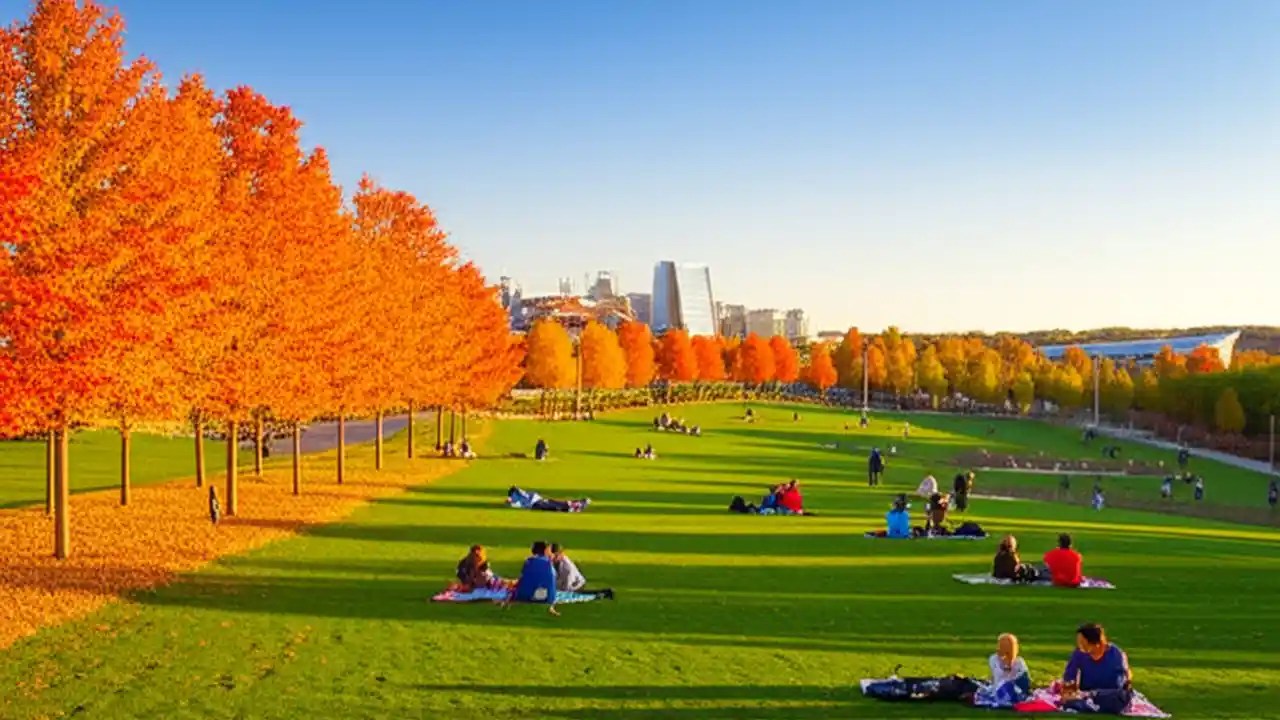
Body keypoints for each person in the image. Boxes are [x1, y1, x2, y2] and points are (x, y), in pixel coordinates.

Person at [1061, 623, 1133, 712]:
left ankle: (1090, 705)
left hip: (1111, 696)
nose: (1080, 645)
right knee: (1070, 701)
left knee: (1119, 698)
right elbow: (1069, 678)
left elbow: (1126, 680)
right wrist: (1069, 691)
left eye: (1083, 642)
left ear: (1095, 642)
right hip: (1086, 695)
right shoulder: (1079, 654)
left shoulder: (1116, 654)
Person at [512, 541, 559, 614]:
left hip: (527, 596)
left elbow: (523, 579)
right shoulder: (549, 563)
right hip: (548, 597)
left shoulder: (529, 562)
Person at [988, 633, 1032, 702]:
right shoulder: (993, 659)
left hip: (1016, 690)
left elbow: (1025, 681)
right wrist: (1005, 662)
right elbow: (1000, 677)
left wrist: (1009, 662)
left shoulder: (1019, 661)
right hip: (1000, 689)